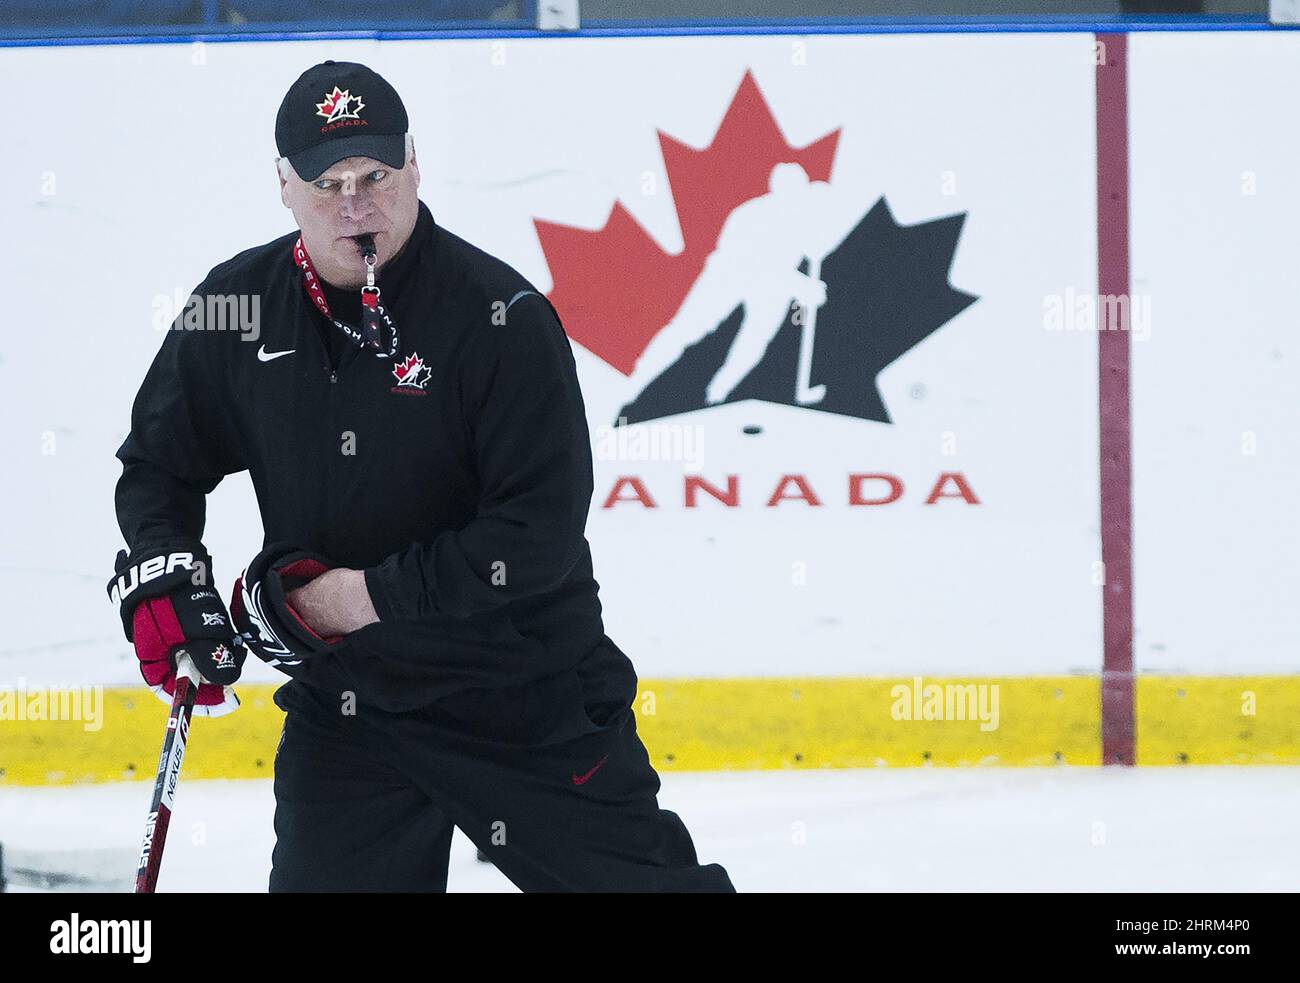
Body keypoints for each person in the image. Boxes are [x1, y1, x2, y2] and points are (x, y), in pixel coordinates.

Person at [106, 59, 735, 893]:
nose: (354, 203)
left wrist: (345, 600)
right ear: (283, 185)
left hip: (522, 697)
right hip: (354, 710)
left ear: (414, 165)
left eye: (374, 175)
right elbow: (156, 464)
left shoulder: (499, 318)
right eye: (326, 182)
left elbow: (534, 539)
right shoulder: (236, 308)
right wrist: (168, 567)